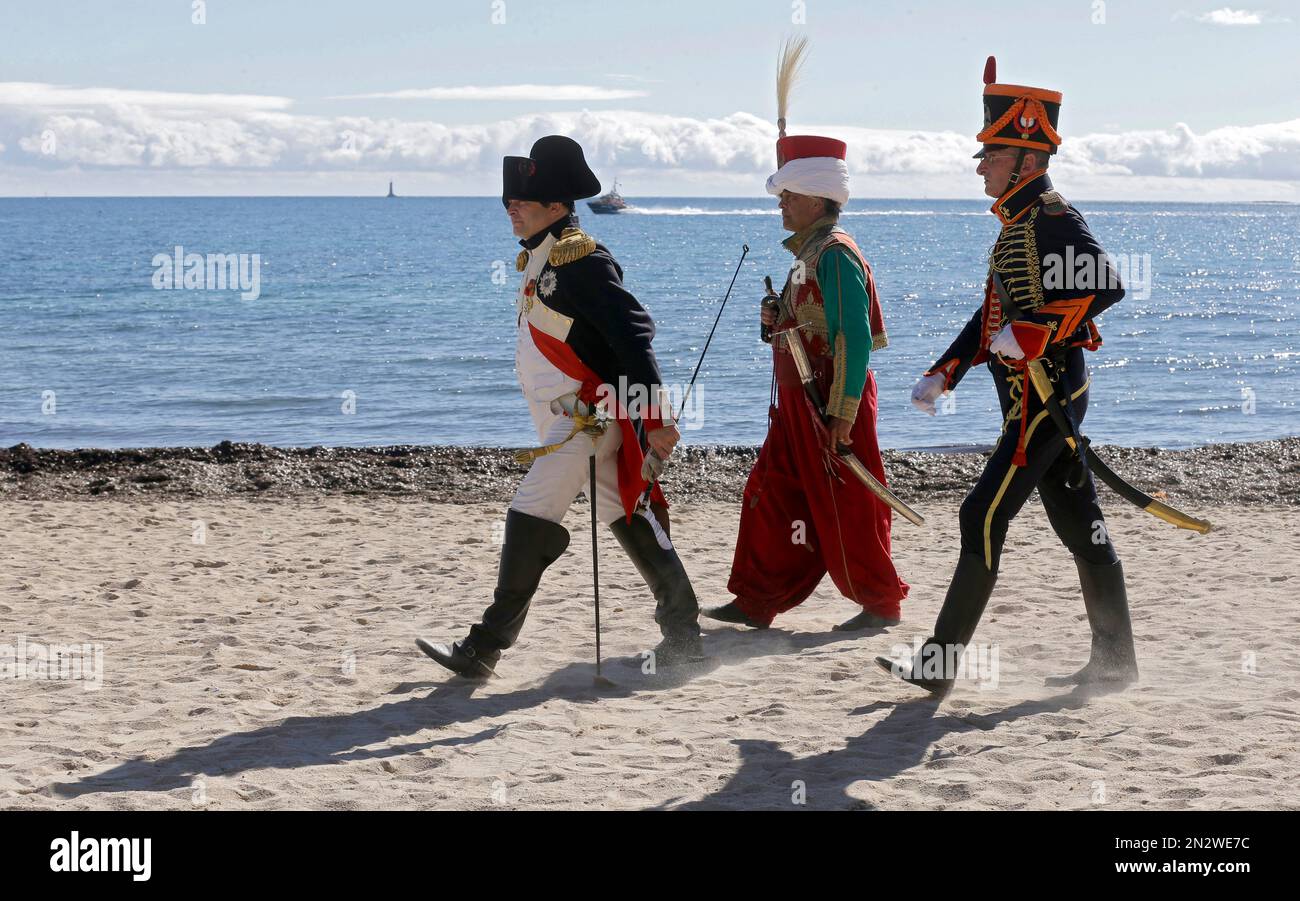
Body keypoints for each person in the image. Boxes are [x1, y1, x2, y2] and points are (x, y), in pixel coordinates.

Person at [877, 57, 1136, 696]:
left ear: (1026, 158)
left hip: (1047, 399)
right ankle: (1116, 663)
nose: (980, 165)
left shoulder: (1051, 216)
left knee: (980, 514)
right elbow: (993, 313)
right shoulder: (1018, 223)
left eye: (991, 154)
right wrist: (947, 372)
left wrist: (1038, 331)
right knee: (1081, 525)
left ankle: (938, 668)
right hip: (1030, 397)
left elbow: (1105, 284)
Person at [416, 135, 702, 678]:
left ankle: (485, 646)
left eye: (522, 201)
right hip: (567, 419)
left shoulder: (581, 259)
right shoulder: (543, 257)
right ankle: (684, 636)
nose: (511, 209)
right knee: (629, 518)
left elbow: (632, 336)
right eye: (508, 202)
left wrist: (657, 417)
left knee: (530, 513)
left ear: (557, 205)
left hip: (583, 424)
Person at [704, 134, 909, 633]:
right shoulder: (808, 253)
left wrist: (841, 412)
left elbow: (854, 339)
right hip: (797, 404)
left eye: (788, 196)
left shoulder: (835, 254)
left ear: (815, 199)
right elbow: (809, 324)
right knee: (774, 492)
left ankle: (881, 602)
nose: (781, 205)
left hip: (829, 403)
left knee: (848, 503)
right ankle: (757, 599)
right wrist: (774, 318)